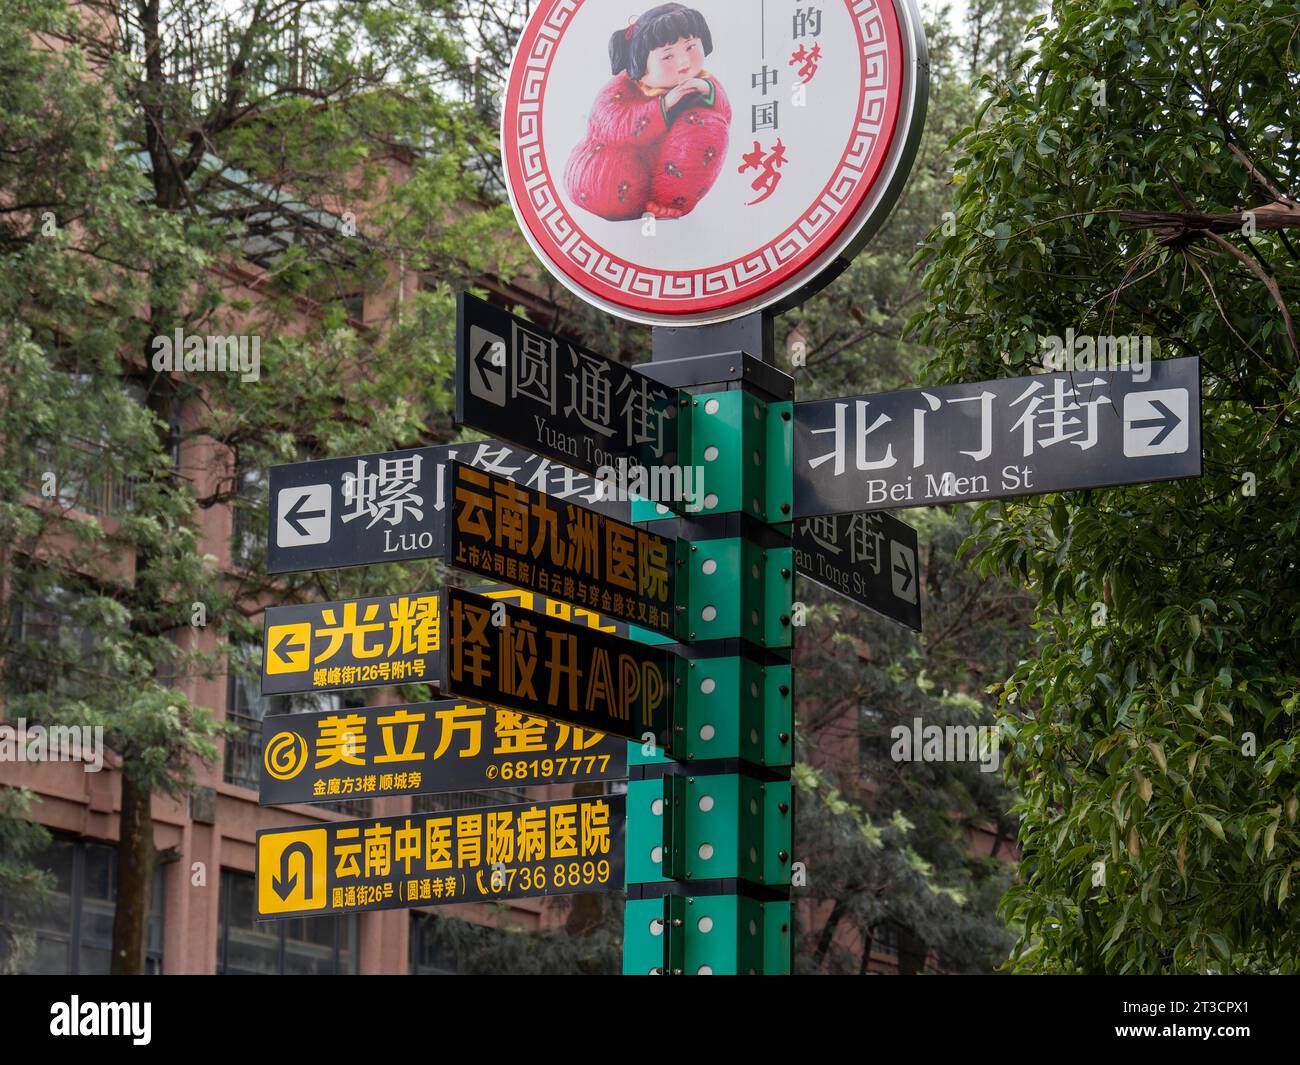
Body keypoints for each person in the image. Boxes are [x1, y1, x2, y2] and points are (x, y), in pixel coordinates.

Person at [565, 4, 732, 222]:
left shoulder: (702, 80)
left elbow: (724, 115)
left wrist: (708, 91)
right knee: (611, 179)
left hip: (666, 175)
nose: (684, 62)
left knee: (709, 126)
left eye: (690, 47)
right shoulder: (621, 88)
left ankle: (669, 201)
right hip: (614, 175)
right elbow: (612, 124)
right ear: (642, 64)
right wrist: (665, 104)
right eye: (667, 57)